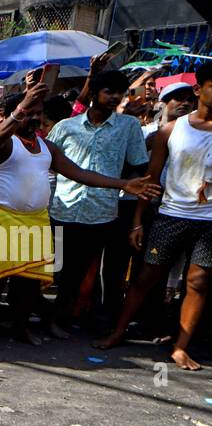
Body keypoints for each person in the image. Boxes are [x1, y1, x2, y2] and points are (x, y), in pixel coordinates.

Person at [0, 85, 158, 348]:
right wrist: (23, 106)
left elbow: (79, 174)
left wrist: (122, 184)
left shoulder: (48, 148)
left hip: (35, 221)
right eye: (28, 113)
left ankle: (21, 327)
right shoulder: (5, 144)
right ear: (14, 115)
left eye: (38, 114)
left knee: (28, 283)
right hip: (1, 219)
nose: (35, 118)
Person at [96, 62, 212, 370]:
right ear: (200, 90)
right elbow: (151, 179)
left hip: (209, 220)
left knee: (198, 282)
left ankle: (181, 346)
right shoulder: (171, 131)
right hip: (171, 214)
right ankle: (119, 331)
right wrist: (137, 221)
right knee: (146, 277)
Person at [45, 69, 148, 338]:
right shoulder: (65, 127)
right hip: (63, 209)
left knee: (99, 272)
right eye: (109, 91)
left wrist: (133, 204)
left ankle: (84, 319)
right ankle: (55, 317)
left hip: (103, 211)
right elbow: (46, 163)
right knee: (59, 271)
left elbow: (138, 166)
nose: (115, 97)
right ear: (93, 94)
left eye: (119, 92)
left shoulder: (129, 126)